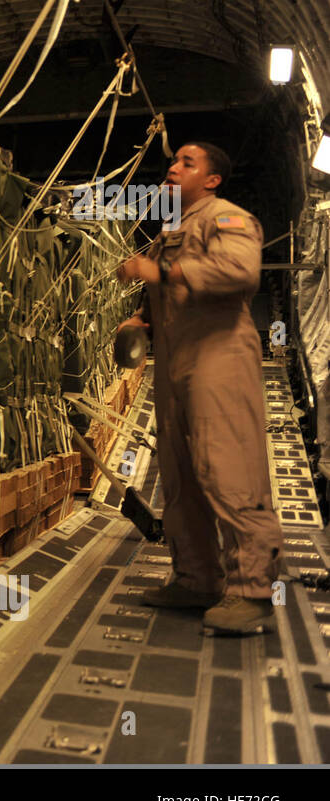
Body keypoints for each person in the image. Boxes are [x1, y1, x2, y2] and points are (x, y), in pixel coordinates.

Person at [115, 142, 282, 633]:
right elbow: (166, 292)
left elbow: (239, 272)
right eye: (174, 160)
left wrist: (162, 270)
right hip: (173, 361)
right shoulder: (172, 231)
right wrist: (142, 317)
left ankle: (252, 591)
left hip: (219, 356)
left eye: (188, 162)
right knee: (181, 474)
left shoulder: (228, 219)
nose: (173, 167)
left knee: (227, 468)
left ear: (212, 180)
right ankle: (196, 579)